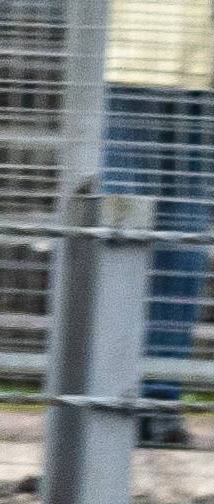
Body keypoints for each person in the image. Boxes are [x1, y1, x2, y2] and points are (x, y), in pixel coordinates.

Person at [113, 0, 214, 446]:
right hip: (195, 64)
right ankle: (157, 402)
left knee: (116, 228)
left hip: (125, 61)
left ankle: (109, 394)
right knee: (181, 234)